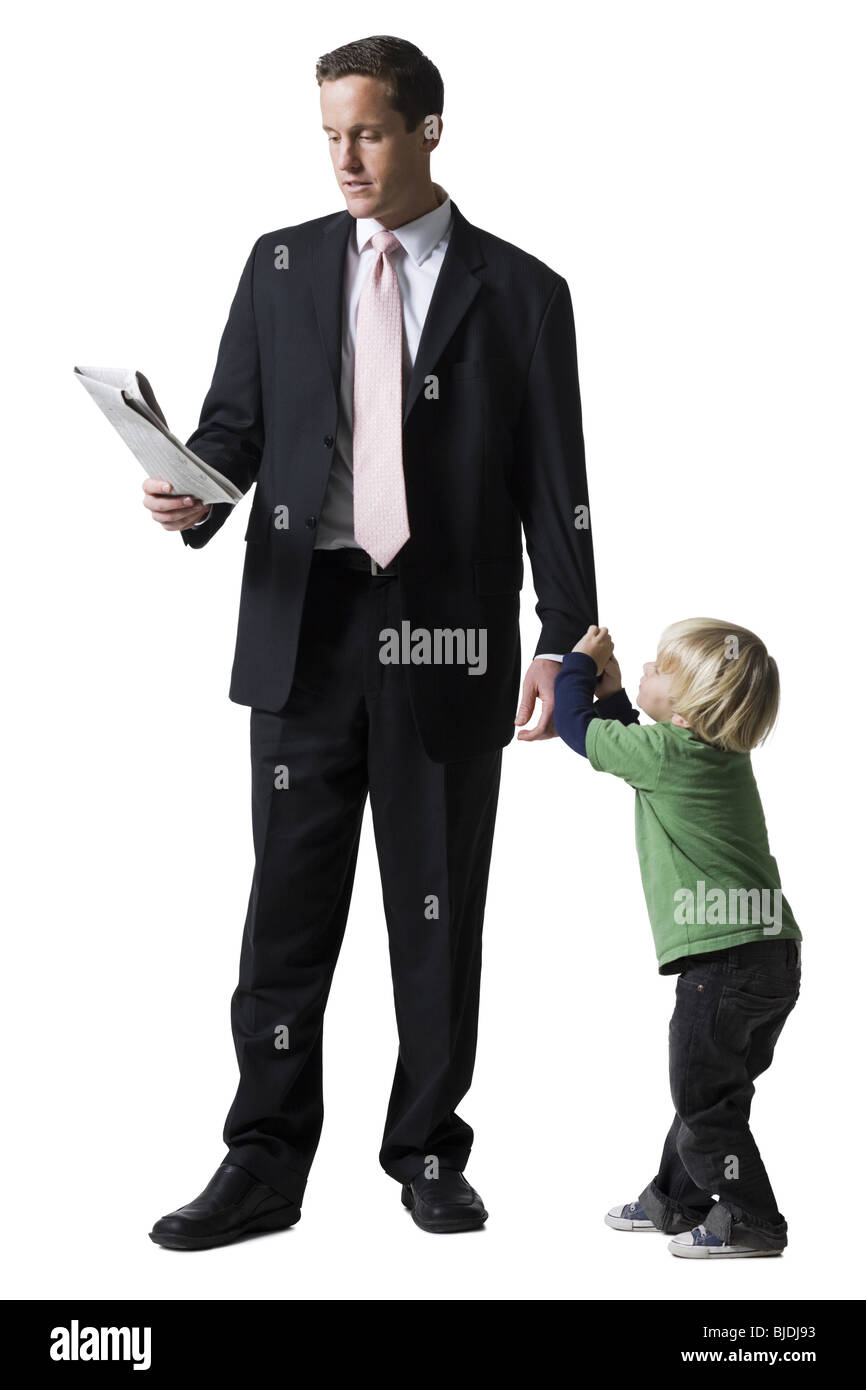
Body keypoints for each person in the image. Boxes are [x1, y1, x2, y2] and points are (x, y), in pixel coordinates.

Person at [142, 35, 597, 1248]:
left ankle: (427, 1150)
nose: (345, 158)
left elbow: (555, 485)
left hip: (447, 637)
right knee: (285, 913)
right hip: (306, 624)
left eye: (371, 133)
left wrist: (566, 642)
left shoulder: (520, 293)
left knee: (435, 908)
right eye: (329, 134)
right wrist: (195, 488)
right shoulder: (281, 265)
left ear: (428, 129)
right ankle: (262, 1161)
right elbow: (232, 430)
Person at [554, 619, 802, 1257]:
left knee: (704, 1100)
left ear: (690, 709)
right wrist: (616, 696)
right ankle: (673, 1201)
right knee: (708, 1093)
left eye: (660, 670)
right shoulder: (715, 755)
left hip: (721, 966)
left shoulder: (664, 755)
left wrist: (576, 668)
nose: (644, 670)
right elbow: (631, 741)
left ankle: (752, 1219)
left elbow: (578, 731)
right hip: (771, 959)